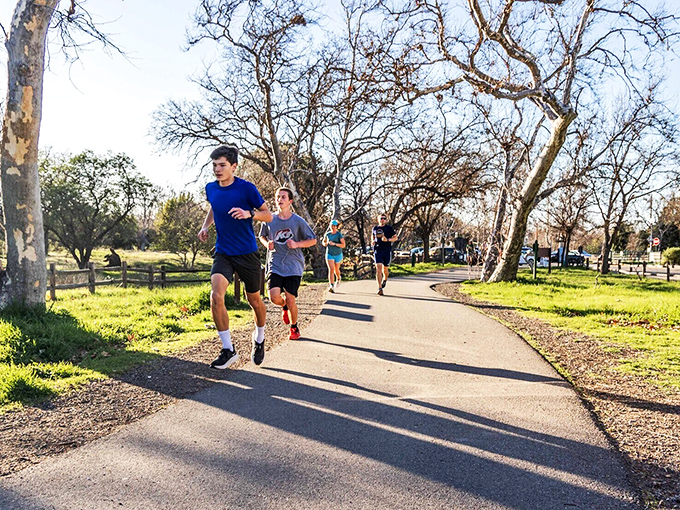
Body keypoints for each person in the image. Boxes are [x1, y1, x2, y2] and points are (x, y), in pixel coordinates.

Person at [198, 145, 273, 369]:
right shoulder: (210, 188)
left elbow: (268, 215)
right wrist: (205, 227)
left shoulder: (246, 189)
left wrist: (249, 213)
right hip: (223, 252)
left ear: (233, 166)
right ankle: (228, 349)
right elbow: (214, 208)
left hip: (247, 253)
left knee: (254, 301)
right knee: (216, 296)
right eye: (214, 166)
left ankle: (259, 338)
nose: (217, 170)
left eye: (222, 165)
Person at [259, 187, 317, 340]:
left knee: (291, 299)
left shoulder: (298, 221)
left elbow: (313, 240)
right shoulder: (269, 219)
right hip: (275, 263)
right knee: (273, 297)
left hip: (293, 265)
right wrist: (267, 244)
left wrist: (297, 244)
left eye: (283, 197)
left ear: (290, 201)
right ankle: (283, 305)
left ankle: (294, 327)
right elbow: (262, 236)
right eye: (278, 196)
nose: (279, 199)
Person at [372, 214, 397, 295]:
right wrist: (372, 241)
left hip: (386, 251)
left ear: (386, 220)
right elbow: (372, 236)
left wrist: (387, 239)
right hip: (377, 250)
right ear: (378, 219)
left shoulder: (389, 228)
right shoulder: (375, 228)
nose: (382, 220)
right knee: (378, 269)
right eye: (381, 218)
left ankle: (385, 279)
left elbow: (395, 238)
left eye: (384, 218)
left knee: (385, 270)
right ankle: (379, 288)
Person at [322, 219, 345, 293]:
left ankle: (338, 278)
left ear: (336, 227)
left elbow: (343, 245)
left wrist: (335, 244)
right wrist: (325, 243)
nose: (333, 227)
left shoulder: (339, 234)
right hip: (329, 254)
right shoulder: (327, 234)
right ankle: (331, 285)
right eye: (331, 225)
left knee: (336, 270)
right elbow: (324, 241)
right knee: (331, 269)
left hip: (338, 254)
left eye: (334, 226)